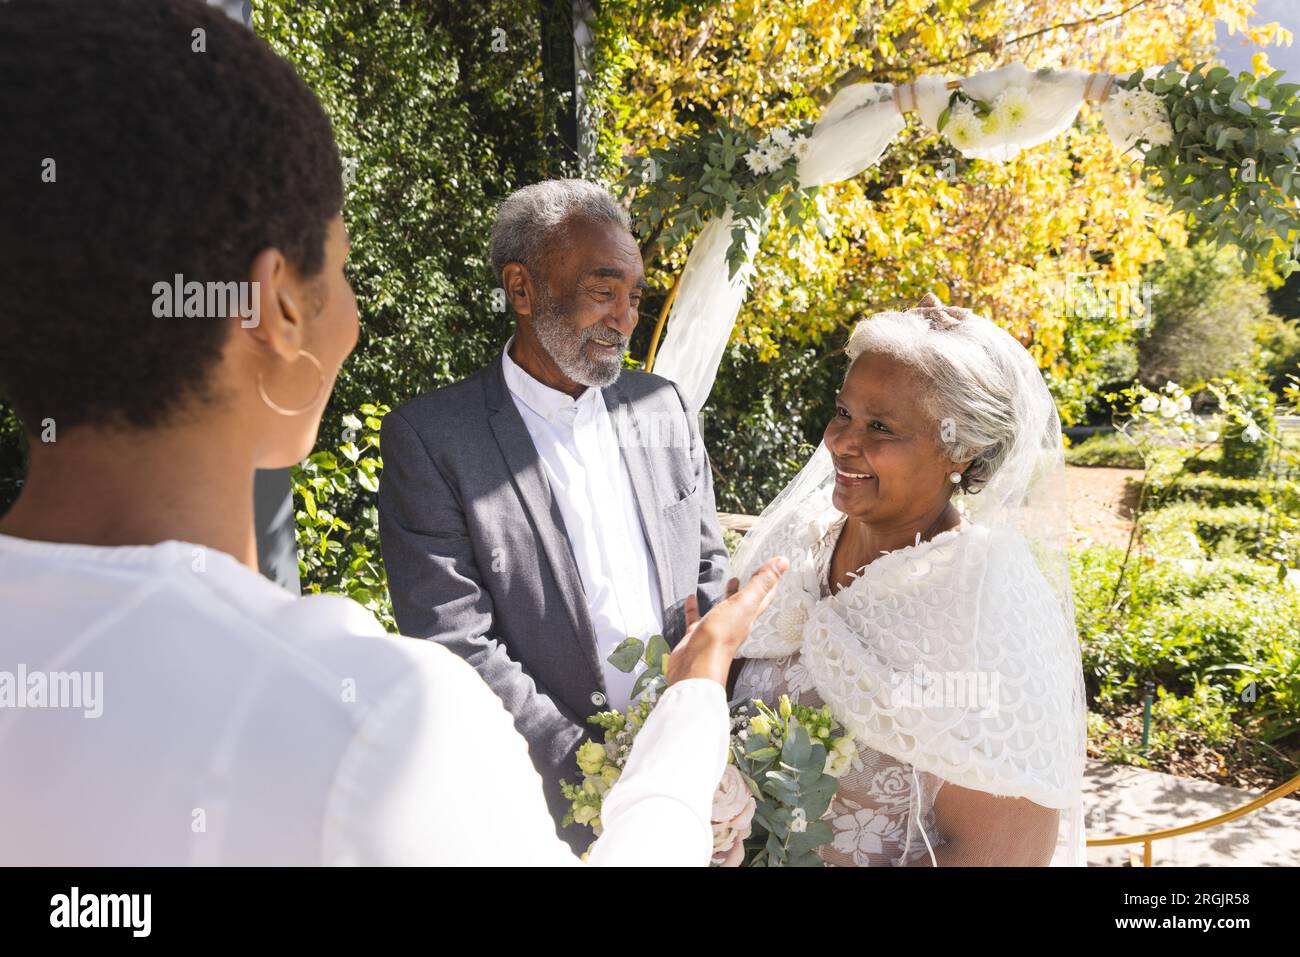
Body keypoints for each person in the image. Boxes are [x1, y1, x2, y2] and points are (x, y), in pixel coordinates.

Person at [0, 0, 785, 866]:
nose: (358, 318)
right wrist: (690, 716)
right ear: (277, 308)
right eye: (339, 270)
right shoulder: (376, 727)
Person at [378, 179, 730, 841]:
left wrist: (700, 741)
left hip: (691, 781)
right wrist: (594, 778)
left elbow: (709, 570)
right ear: (522, 288)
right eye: (604, 290)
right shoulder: (431, 439)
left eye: (634, 296)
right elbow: (456, 642)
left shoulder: (665, 408)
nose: (626, 318)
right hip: (536, 812)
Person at [731, 293, 1089, 866]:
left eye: (881, 427)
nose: (843, 441)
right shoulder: (797, 541)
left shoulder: (989, 603)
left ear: (963, 450)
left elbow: (1004, 853)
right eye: (844, 412)